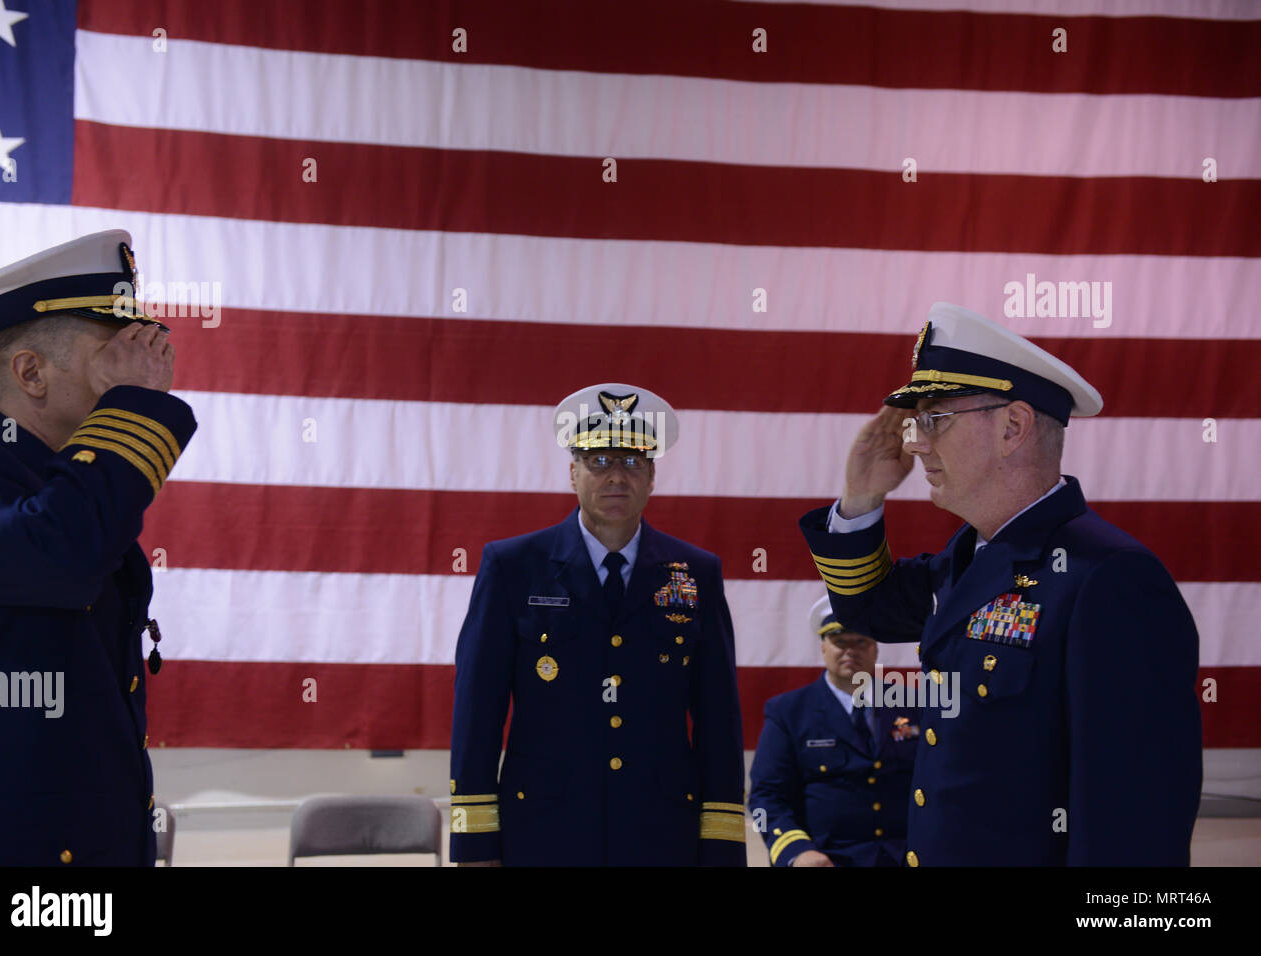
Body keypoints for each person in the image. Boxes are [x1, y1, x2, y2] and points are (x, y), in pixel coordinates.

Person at [799, 302, 1202, 866]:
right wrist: (861, 498)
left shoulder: (1108, 576)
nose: (914, 444)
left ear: (1013, 426)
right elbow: (868, 610)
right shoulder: (971, 557)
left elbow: (1133, 815)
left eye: (935, 418)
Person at [0, 231, 197, 866]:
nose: (144, 359)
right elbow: (57, 558)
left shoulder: (68, 489)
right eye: (114, 349)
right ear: (31, 373)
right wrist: (138, 408)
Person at [449, 383, 746, 866]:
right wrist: (475, 845)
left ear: (652, 477)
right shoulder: (513, 566)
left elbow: (718, 721)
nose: (615, 478)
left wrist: (722, 845)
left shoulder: (696, 573)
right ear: (572, 473)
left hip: (661, 834)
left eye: (631, 463)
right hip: (543, 832)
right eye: (599, 461)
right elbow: (476, 715)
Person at [749, 595, 918, 867]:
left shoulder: (913, 706)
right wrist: (795, 851)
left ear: (876, 649)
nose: (850, 650)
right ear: (823, 648)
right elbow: (762, 800)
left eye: (861, 641)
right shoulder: (788, 712)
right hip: (827, 860)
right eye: (839, 641)